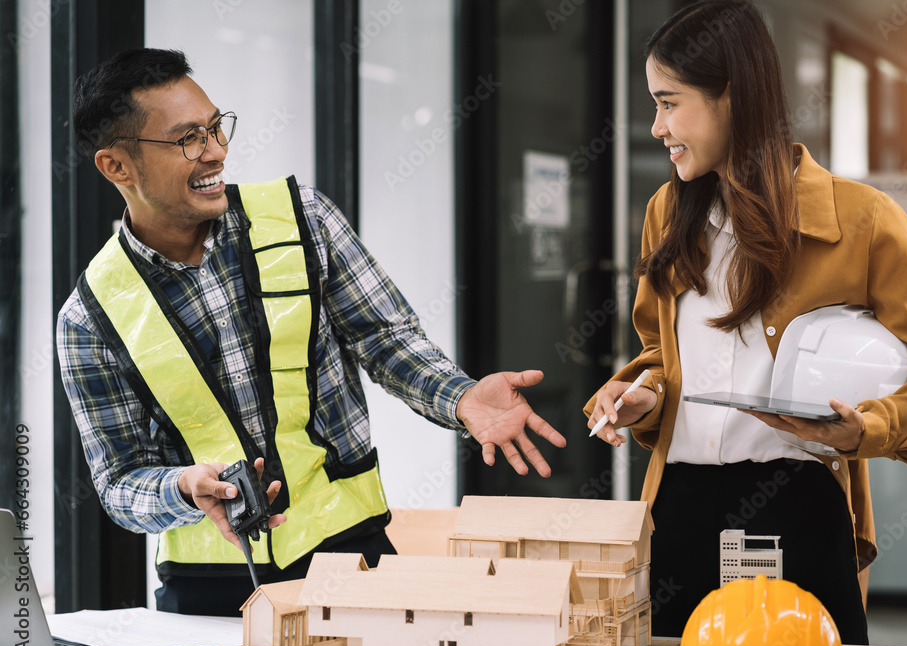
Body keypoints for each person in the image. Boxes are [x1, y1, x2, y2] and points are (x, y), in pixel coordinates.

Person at [57, 48, 566, 616]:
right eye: (187, 140)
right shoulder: (91, 316)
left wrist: (461, 395)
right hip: (209, 588)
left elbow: (382, 336)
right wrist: (180, 488)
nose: (216, 151)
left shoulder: (301, 220)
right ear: (116, 167)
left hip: (351, 555)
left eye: (215, 127)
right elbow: (120, 480)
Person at [584, 0, 907, 645]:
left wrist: (868, 426)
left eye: (670, 102)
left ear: (733, 99)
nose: (656, 126)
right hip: (677, 508)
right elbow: (663, 353)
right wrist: (642, 396)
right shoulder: (667, 211)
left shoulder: (862, 219)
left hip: (795, 506)